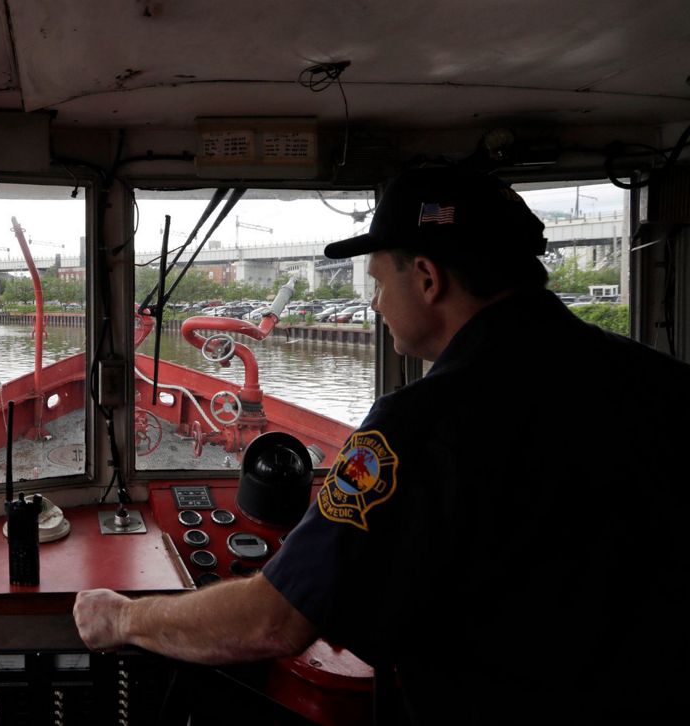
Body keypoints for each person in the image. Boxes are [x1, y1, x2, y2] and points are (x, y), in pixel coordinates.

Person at [74, 167, 690, 724]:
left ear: (427, 278)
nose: (373, 303)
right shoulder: (667, 384)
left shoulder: (421, 423)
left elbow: (274, 621)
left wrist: (124, 617)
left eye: (376, 281)